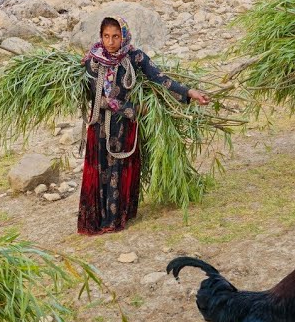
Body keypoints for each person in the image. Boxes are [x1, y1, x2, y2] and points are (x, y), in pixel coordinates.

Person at [78, 17, 210, 235]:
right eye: (106, 36)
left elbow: (160, 79)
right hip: (101, 126)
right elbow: (99, 100)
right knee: (101, 169)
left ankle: (117, 218)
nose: (110, 42)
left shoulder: (134, 57)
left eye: (116, 36)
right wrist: (136, 109)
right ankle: (99, 220)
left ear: (124, 36)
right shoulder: (93, 61)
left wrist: (189, 92)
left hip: (125, 127)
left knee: (121, 169)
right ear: (100, 36)